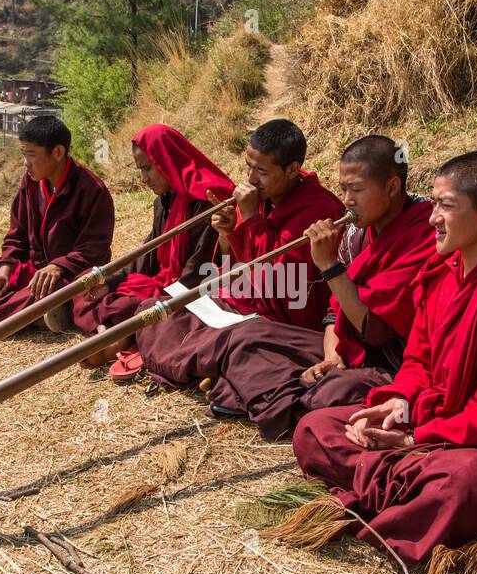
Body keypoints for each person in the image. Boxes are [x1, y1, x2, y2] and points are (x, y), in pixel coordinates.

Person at [291, 151, 477, 563]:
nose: (432, 218)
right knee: (314, 427)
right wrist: (398, 404)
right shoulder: (441, 271)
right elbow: (418, 362)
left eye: (445, 206)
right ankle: (401, 487)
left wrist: (413, 439)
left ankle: (392, 484)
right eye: (432, 204)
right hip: (433, 422)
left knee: (460, 487)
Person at [202, 135, 438, 439]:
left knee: (333, 390)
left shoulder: (423, 235)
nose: (347, 200)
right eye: (343, 189)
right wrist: (330, 355)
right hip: (343, 346)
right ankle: (273, 394)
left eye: (357, 190)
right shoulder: (355, 233)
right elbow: (332, 311)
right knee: (248, 337)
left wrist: (329, 266)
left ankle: (271, 396)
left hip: (391, 362)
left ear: (392, 187)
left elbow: (375, 330)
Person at [132, 118, 344, 387]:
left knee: (240, 343)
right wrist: (227, 232)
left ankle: (213, 367)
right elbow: (231, 267)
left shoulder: (317, 211)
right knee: (155, 310)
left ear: (292, 170)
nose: (251, 179)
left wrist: (251, 217)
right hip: (241, 304)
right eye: (248, 167)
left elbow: (282, 283)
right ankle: (213, 367)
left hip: (282, 321)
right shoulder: (264, 199)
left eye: (262, 171)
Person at [0, 114, 114, 338]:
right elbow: (17, 235)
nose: (26, 162)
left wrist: (58, 267)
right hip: (28, 271)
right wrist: (4, 273)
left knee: (50, 292)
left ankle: (32, 311)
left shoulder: (92, 189)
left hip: (65, 277)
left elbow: (94, 249)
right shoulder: (30, 182)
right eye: (23, 154)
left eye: (32, 155)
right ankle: (35, 318)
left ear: (57, 152)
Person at [71, 124, 234, 369]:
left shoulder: (206, 200)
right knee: (87, 286)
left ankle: (121, 336)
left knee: (136, 308)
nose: (144, 179)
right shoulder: (165, 201)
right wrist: (110, 282)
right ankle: (117, 330)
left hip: (195, 289)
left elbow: (199, 270)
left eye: (148, 169)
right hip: (165, 282)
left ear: (167, 160)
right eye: (141, 170)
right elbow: (149, 255)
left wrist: (161, 302)